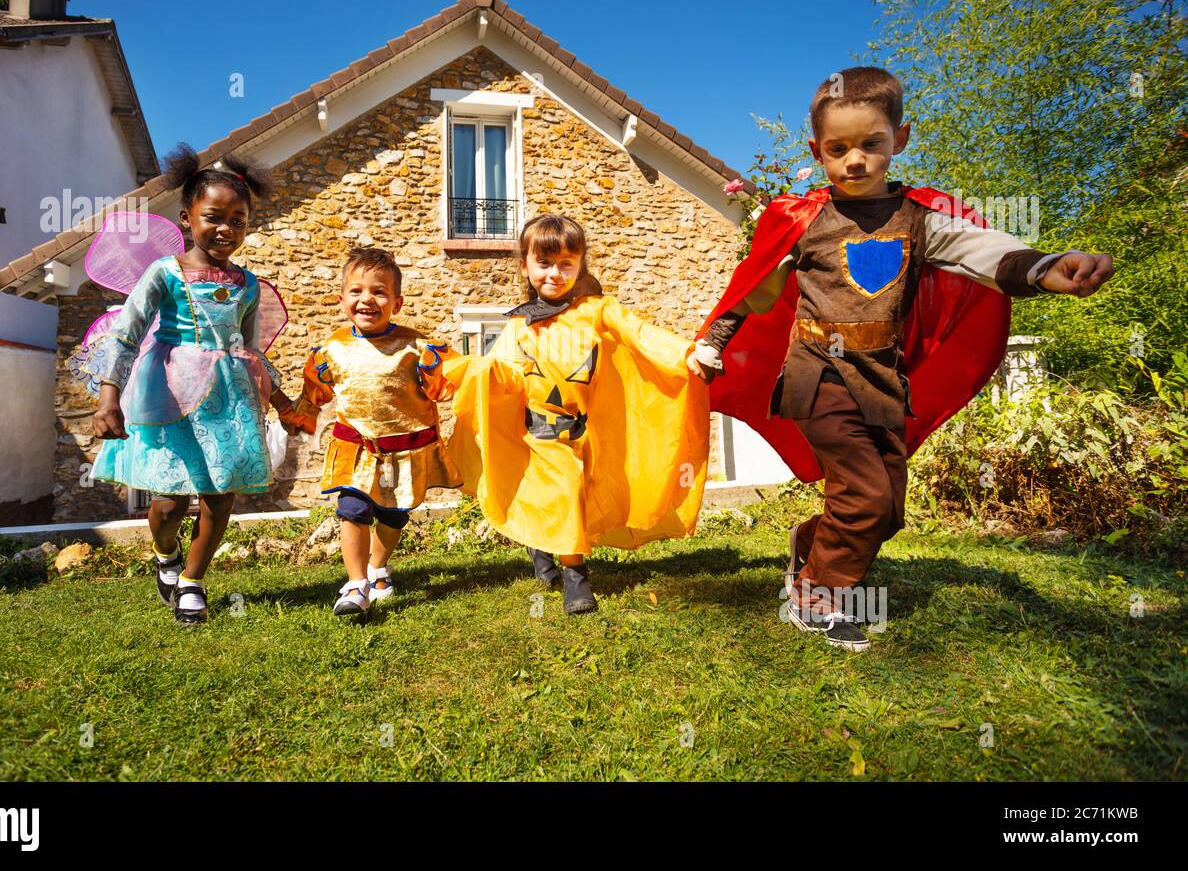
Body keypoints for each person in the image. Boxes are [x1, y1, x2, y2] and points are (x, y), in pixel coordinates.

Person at [691, 67, 1115, 651]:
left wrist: (1046, 267)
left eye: (872, 143)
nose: (856, 160)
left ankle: (809, 545)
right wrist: (715, 342)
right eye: (838, 149)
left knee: (887, 509)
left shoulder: (921, 220)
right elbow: (755, 283)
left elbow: (982, 252)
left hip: (884, 379)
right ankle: (815, 593)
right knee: (864, 496)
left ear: (901, 138)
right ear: (817, 152)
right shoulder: (803, 220)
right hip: (818, 375)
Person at [71, 144, 296, 624]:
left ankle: (192, 581)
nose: (226, 229)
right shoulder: (165, 273)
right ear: (186, 217)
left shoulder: (247, 284)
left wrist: (283, 402)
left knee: (220, 497)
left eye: (238, 220)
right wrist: (109, 398)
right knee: (169, 503)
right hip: (167, 397)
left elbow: (249, 351)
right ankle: (166, 554)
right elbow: (126, 334)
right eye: (214, 217)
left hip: (228, 401)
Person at [444, 213, 712, 615]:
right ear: (525, 266)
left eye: (566, 264)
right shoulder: (519, 327)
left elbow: (641, 335)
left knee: (578, 497)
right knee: (564, 489)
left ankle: (541, 547)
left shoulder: (598, 311)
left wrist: (687, 354)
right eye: (545, 263)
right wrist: (464, 370)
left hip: (587, 432)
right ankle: (576, 578)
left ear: (580, 265)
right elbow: (502, 372)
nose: (555, 273)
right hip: (539, 433)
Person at [279, 247, 459, 618]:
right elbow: (315, 391)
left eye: (379, 291)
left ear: (397, 301)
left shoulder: (416, 348)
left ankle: (378, 567)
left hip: (406, 447)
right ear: (342, 298)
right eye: (357, 291)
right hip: (355, 446)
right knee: (353, 510)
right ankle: (355, 584)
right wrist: (299, 418)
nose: (367, 299)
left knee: (394, 516)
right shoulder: (332, 349)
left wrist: (477, 384)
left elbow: (453, 380)